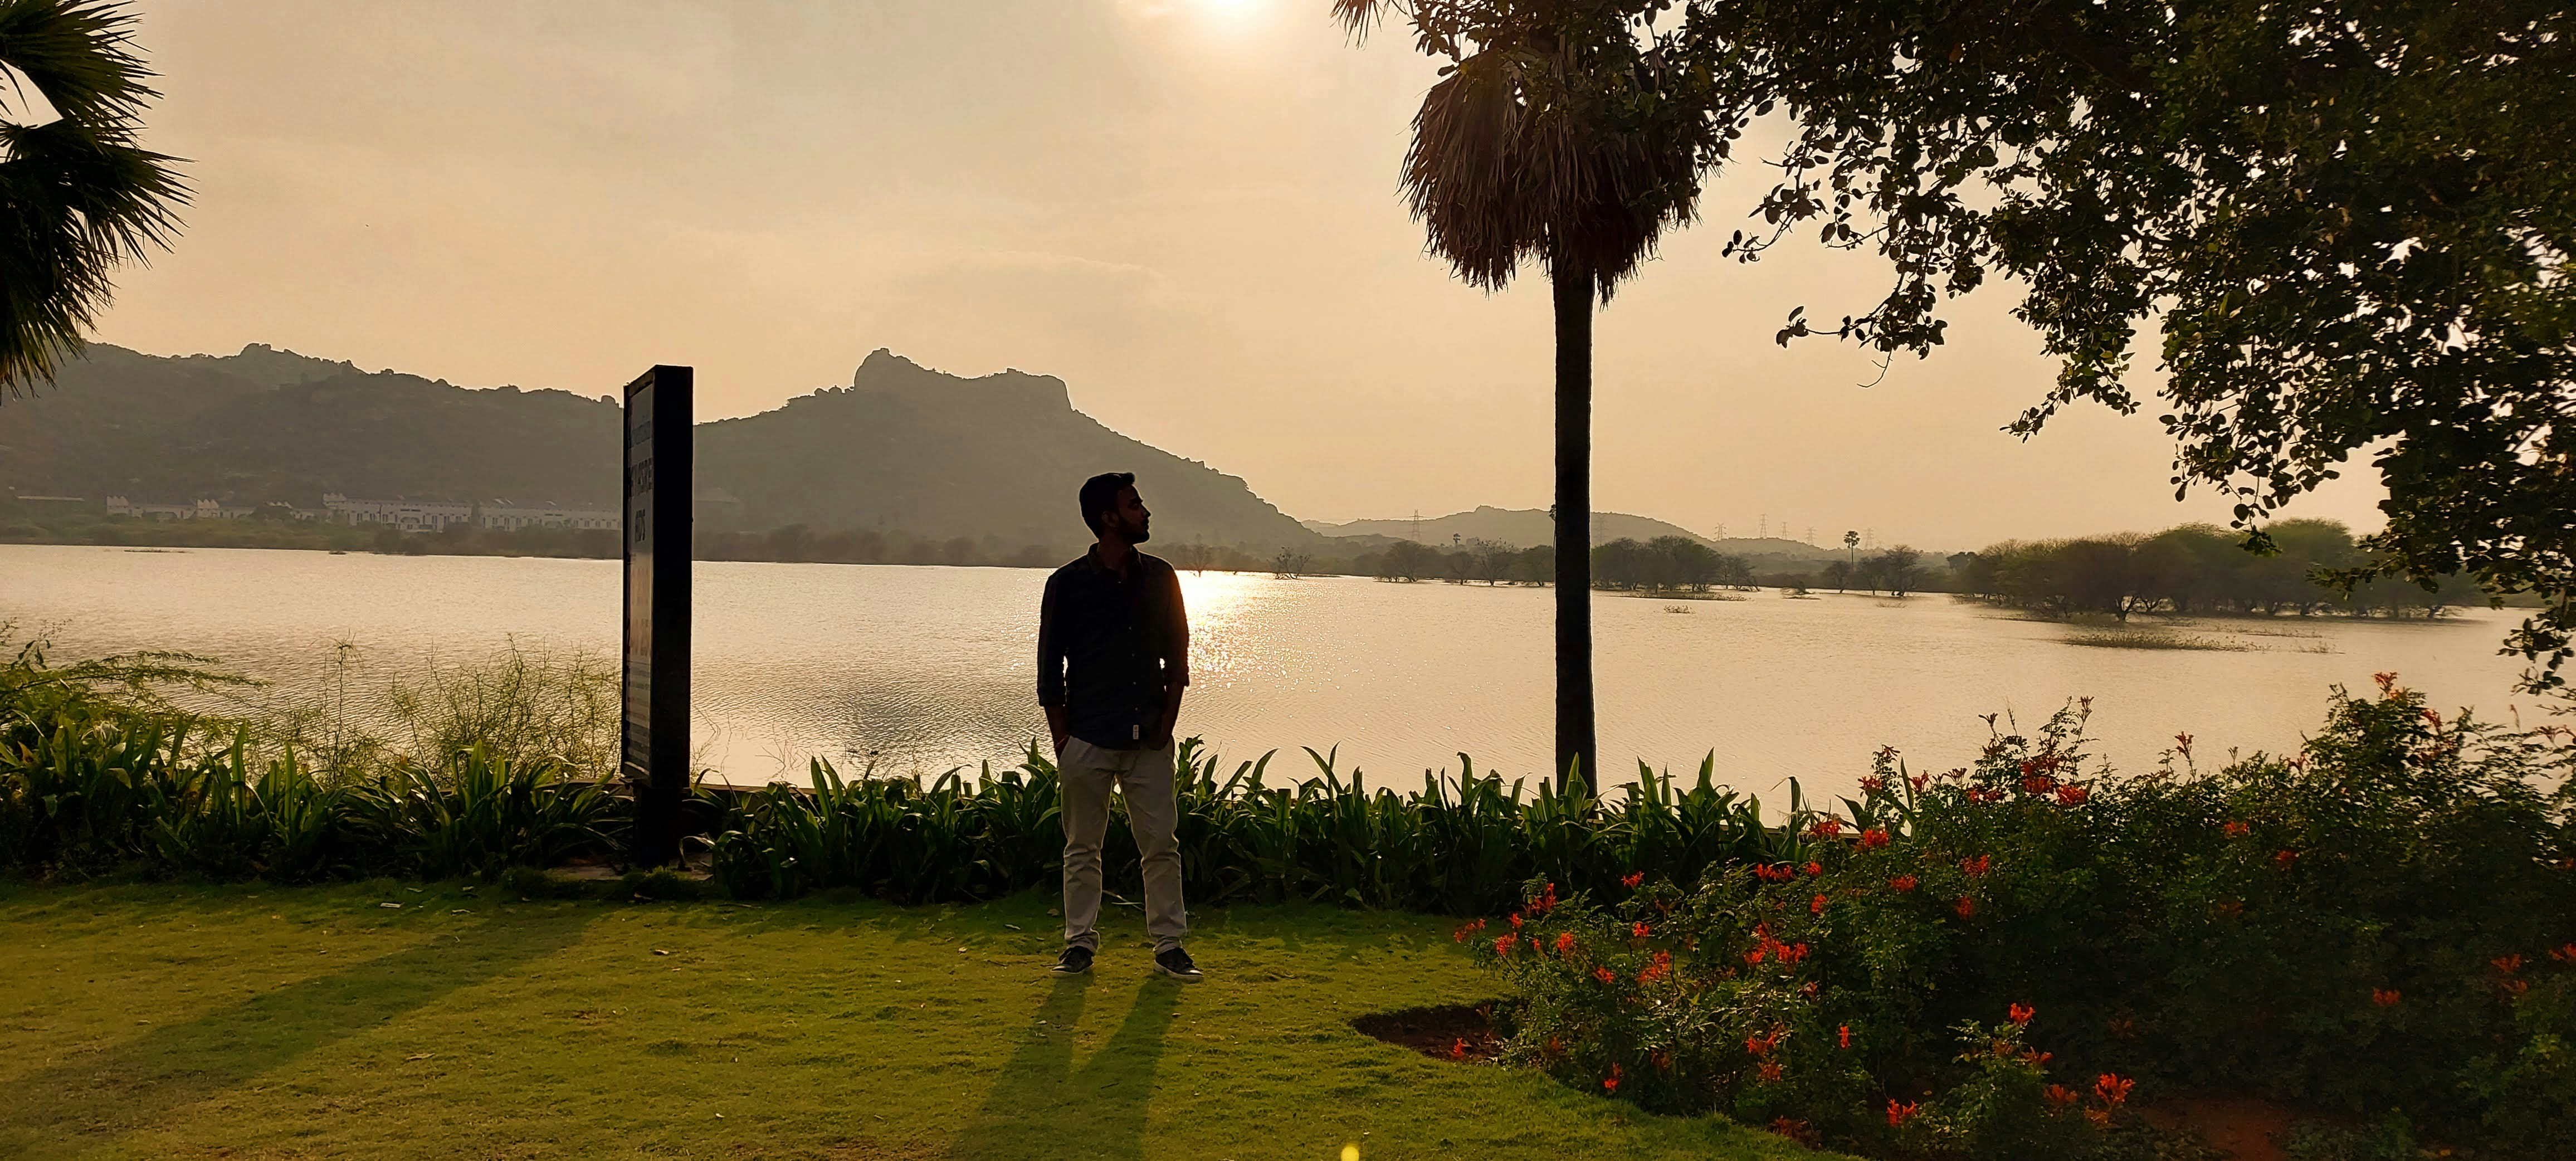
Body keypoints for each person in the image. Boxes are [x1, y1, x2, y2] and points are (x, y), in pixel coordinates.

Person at [1036, 471, 1201, 982]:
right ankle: (1079, 945)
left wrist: (1167, 721)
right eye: (1134, 505)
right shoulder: (1066, 585)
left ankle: (1169, 946)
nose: (1145, 512)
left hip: (1149, 739)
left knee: (1162, 846)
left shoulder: (1161, 576)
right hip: (1087, 738)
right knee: (1082, 848)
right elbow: (1049, 669)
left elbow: (1178, 655)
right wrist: (1063, 738)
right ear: (1109, 518)